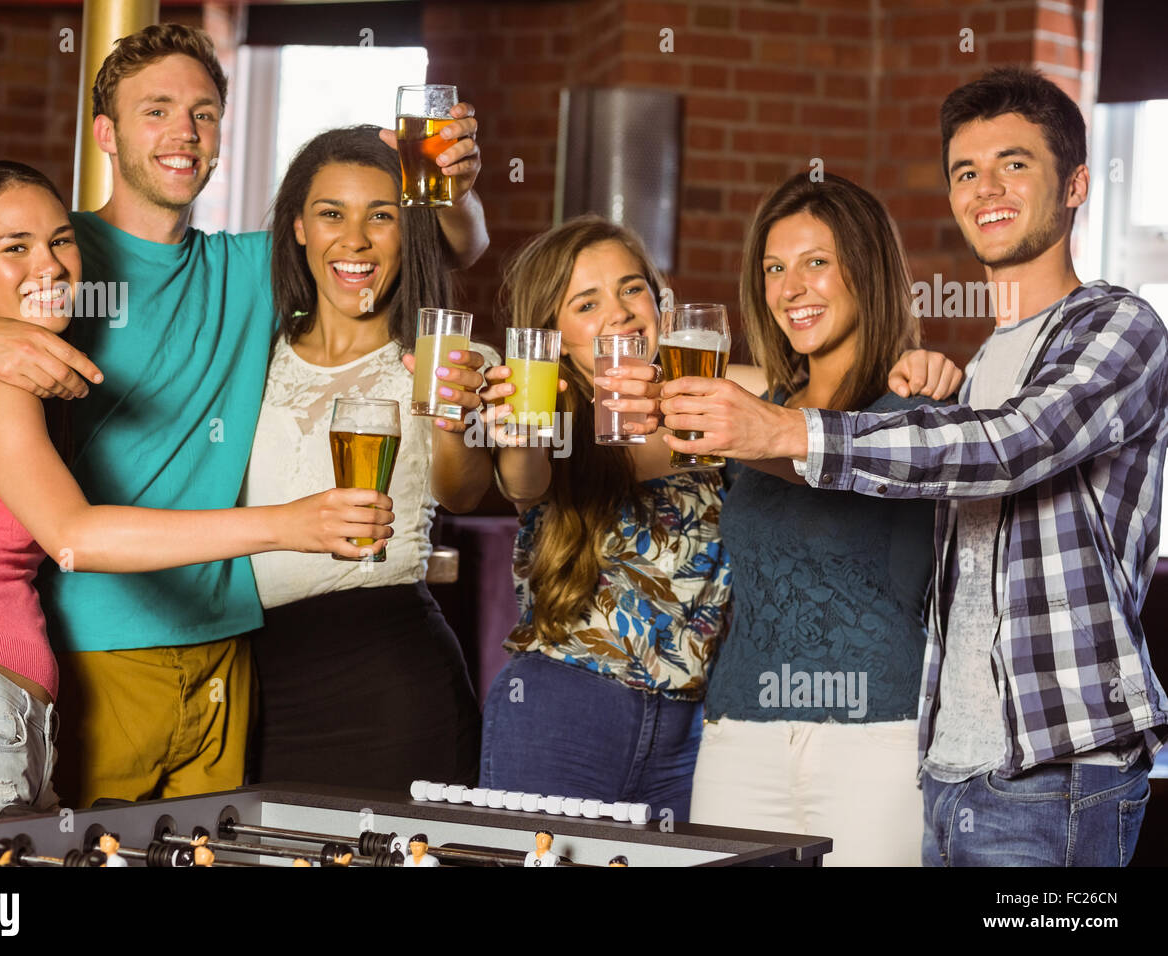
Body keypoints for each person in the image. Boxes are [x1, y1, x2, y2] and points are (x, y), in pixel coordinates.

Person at [0, 24, 487, 806]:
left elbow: (418, 245)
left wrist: (454, 190)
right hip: (98, 649)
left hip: (227, 651)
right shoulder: (51, 263)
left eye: (202, 113)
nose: (182, 134)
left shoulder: (251, 270)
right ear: (107, 133)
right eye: (155, 110)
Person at [661, 66, 1167, 867]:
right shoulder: (975, 369)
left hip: (1057, 766)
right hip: (949, 766)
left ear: (1076, 185)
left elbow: (1007, 448)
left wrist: (790, 432)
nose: (986, 187)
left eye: (1015, 164)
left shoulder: (1119, 326)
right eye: (967, 171)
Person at [0, 161, 393, 829]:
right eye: (14, 247)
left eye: (60, 240)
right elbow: (75, 537)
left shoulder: (6, 372)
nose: (50, 265)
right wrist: (289, 524)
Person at [476, 216, 963, 821]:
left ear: (660, 301)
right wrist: (518, 429)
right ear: (554, 335)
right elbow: (524, 480)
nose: (620, 312)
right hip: (566, 706)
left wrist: (911, 368)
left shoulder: (716, 388)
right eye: (586, 302)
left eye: (632, 288)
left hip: (693, 725)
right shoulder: (553, 409)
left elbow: (833, 402)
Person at [678, 172, 948, 866]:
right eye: (774, 268)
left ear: (867, 268)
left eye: (815, 262)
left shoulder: (915, 413)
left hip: (874, 740)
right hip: (740, 734)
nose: (791, 286)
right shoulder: (755, 406)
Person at [241, 126, 496, 790]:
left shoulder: (446, 362)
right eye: (332, 214)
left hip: (392, 686)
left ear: (406, 234)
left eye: (379, 216)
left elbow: (464, 493)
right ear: (299, 227)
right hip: (251, 688)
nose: (354, 239)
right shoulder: (245, 357)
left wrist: (448, 419)